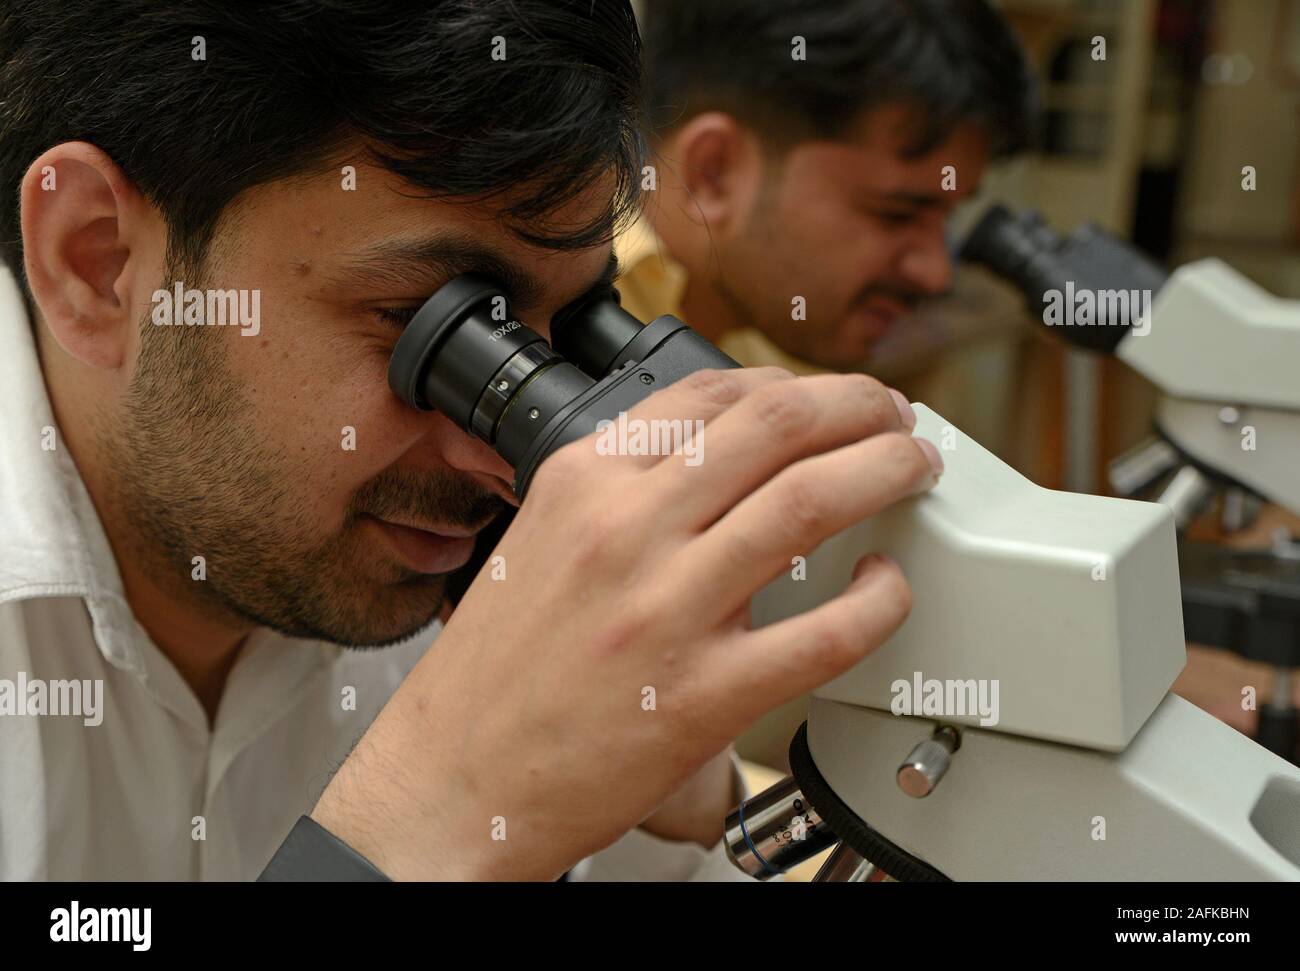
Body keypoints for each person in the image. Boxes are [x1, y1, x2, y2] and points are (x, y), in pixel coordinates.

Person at [0, 0, 941, 881]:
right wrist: (429, 812)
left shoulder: (451, 590)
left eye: (564, 332)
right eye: (425, 328)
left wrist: (682, 815)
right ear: (98, 262)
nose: (509, 462)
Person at [622, 0, 1035, 373]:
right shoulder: (563, 317)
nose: (937, 275)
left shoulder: (778, 365)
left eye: (947, 216)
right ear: (713, 172)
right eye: (897, 215)